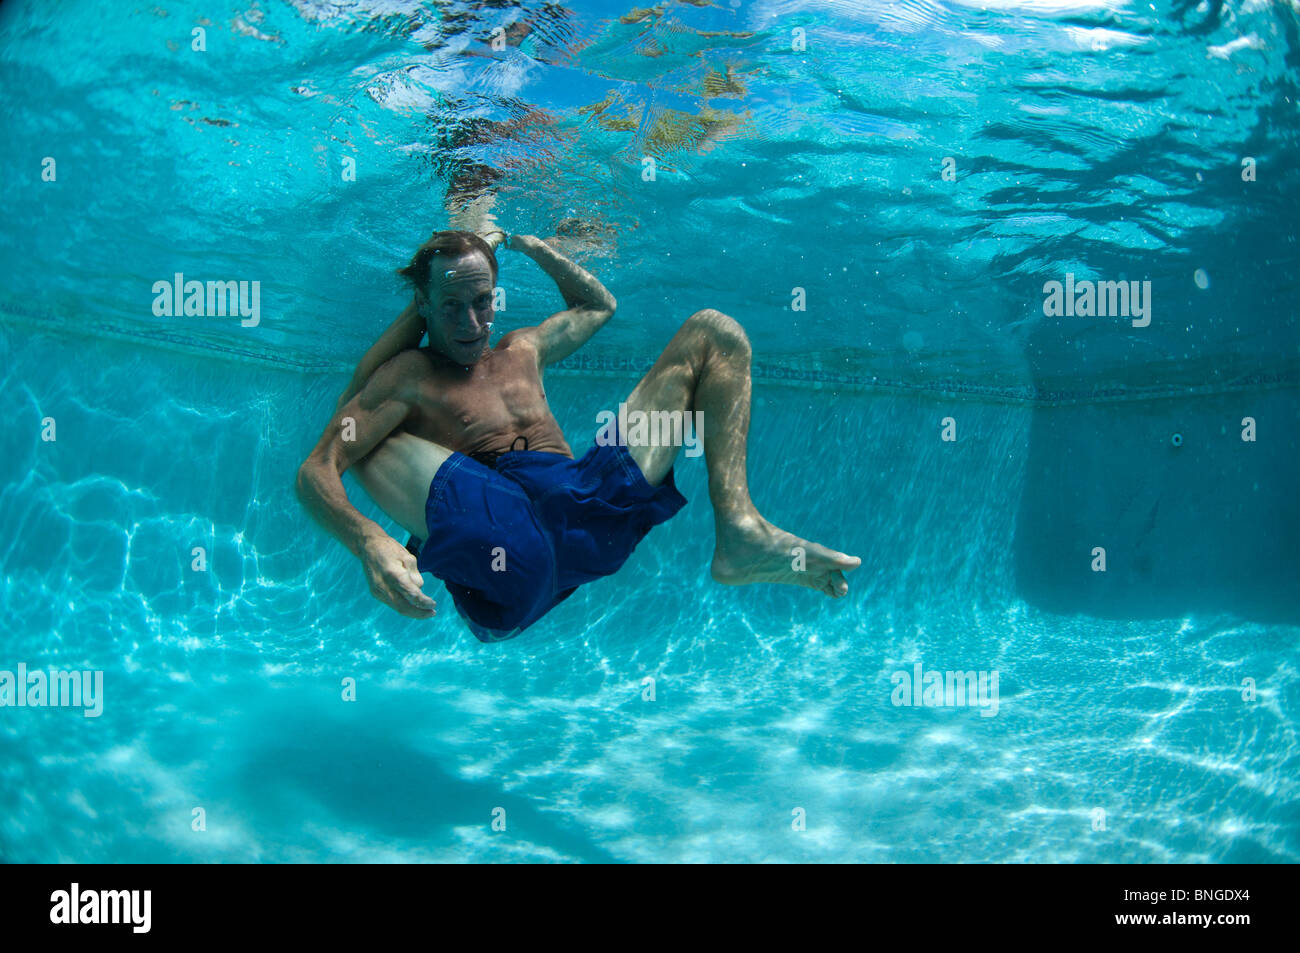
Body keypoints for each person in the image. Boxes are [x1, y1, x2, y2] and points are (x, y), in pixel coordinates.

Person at [296, 229, 861, 641]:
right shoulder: (409, 376)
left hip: (590, 516)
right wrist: (368, 539)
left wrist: (534, 248)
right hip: (506, 555)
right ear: (421, 306)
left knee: (715, 334)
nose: (471, 324)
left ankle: (739, 529)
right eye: (450, 307)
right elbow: (317, 468)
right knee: (361, 440)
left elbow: (599, 305)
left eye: (483, 302)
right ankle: (433, 301)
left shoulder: (522, 349)